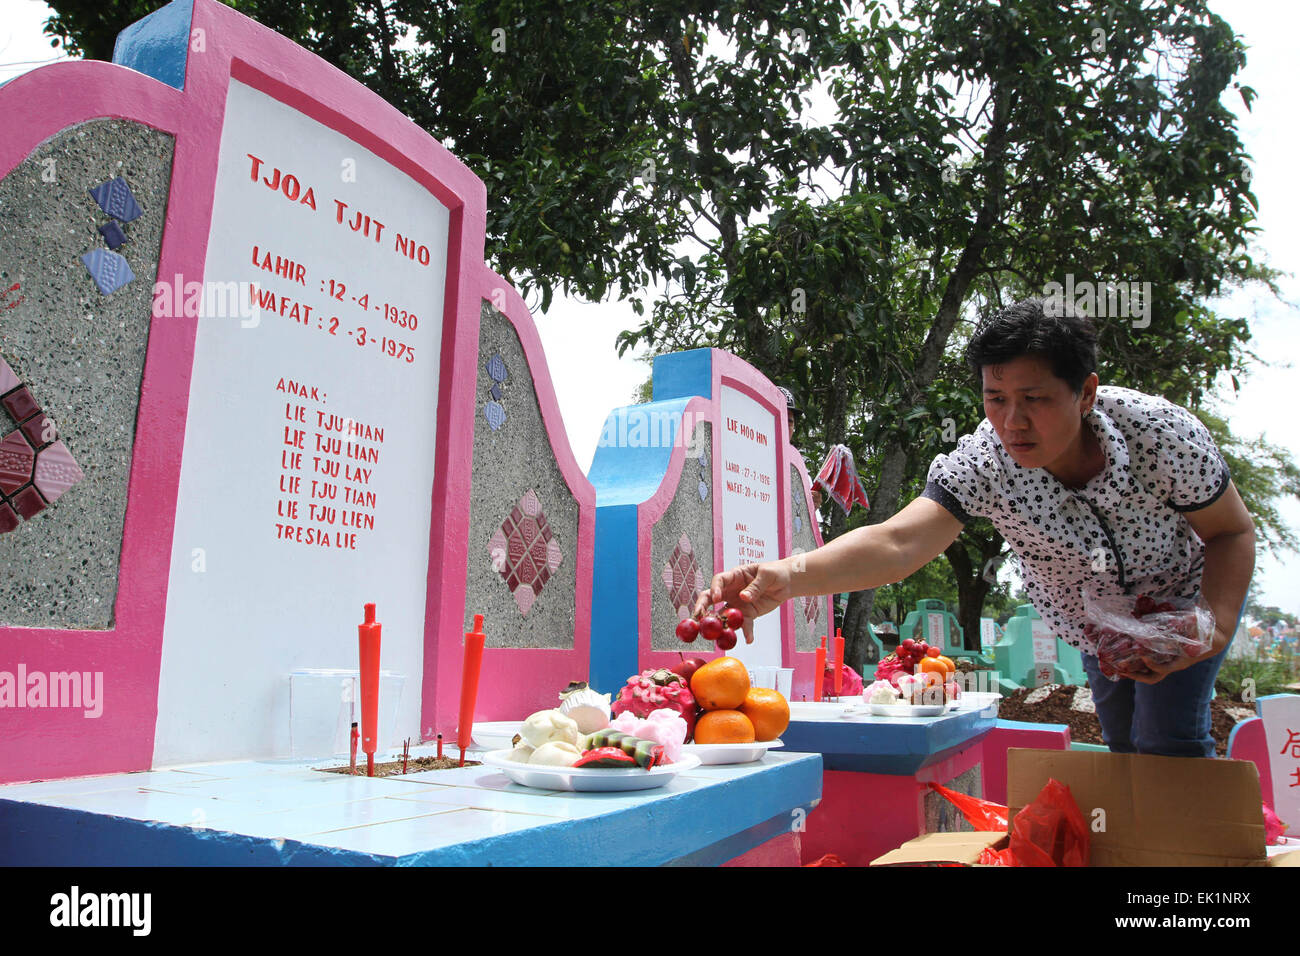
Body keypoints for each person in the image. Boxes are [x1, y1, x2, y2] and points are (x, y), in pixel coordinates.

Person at [696, 298, 1255, 758]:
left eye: (1034, 399)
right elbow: (898, 541)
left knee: (1169, 742)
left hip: (1181, 603)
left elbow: (1230, 532)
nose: (1013, 421)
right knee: (1125, 746)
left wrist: (1214, 625)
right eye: (996, 398)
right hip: (1094, 624)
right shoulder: (984, 462)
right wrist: (786, 576)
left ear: (1085, 393)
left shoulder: (1159, 436)